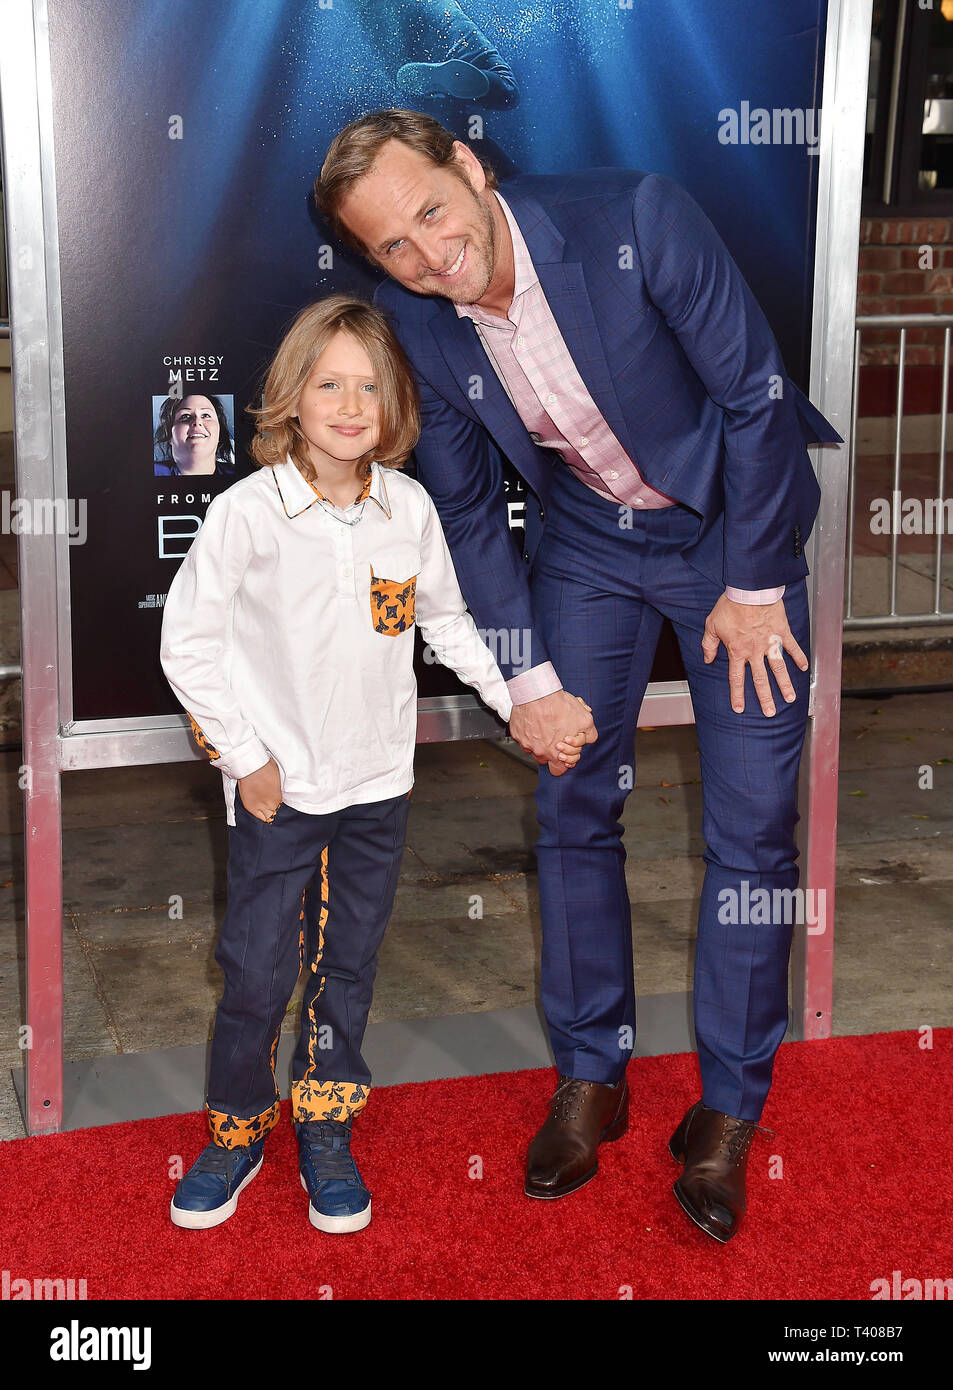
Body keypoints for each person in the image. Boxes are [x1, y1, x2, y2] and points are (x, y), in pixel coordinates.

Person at [314, 109, 842, 1243]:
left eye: (429, 213)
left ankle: (727, 1110)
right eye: (390, 248)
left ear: (469, 166)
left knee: (754, 830)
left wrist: (750, 583)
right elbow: (461, 505)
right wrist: (526, 676)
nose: (424, 254)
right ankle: (589, 1078)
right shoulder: (421, 315)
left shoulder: (634, 219)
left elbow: (754, 395)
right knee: (569, 800)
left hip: (726, 537)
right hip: (588, 547)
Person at [159, 295, 581, 1233]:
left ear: (394, 405)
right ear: (291, 398)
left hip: (377, 789)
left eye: (371, 388)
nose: (351, 406)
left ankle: (324, 1123)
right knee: (258, 970)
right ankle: (235, 1131)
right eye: (330, 384)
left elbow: (444, 623)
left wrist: (521, 701)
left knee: (347, 965)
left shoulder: (410, 507)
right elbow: (189, 645)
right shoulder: (249, 513)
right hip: (276, 792)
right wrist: (245, 757)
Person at [154, 393, 235, 477]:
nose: (197, 422)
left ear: (219, 432)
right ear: (169, 434)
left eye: (206, 415)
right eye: (185, 416)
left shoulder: (240, 478)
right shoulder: (150, 472)